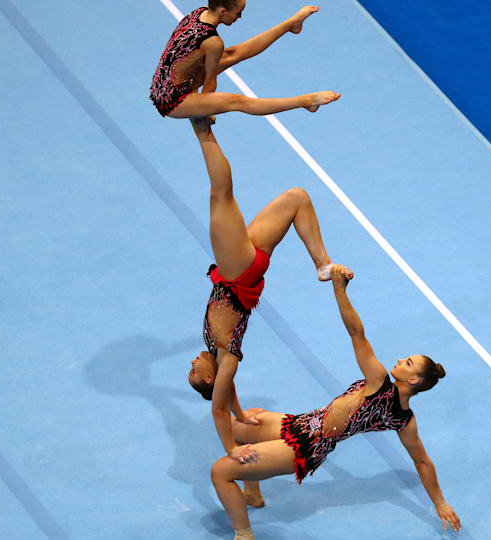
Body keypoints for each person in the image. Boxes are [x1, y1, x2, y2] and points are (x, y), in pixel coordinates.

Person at [208, 265, 462, 539]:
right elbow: (423, 462)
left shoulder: (379, 382)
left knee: (220, 471)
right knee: (238, 427)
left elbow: (357, 333)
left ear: (413, 380)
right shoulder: (405, 420)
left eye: (408, 363)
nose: (401, 360)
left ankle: (243, 534)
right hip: (302, 423)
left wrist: (339, 289)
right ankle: (252, 494)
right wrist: (440, 502)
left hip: (307, 446)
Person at [186, 117, 352, 465]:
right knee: (220, 195)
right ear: (208, 377)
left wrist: (242, 412)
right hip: (237, 271)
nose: (191, 362)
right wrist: (231, 446)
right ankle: (202, 129)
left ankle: (323, 265)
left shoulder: (217, 357)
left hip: (242, 264)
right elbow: (218, 407)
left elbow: (226, 394)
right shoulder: (226, 358)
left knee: (297, 198)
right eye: (193, 372)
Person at [150, 1, 340, 119]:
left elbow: (179, 53)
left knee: (233, 53)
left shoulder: (198, 13)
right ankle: (306, 101)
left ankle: (291, 24)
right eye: (238, 13)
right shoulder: (213, 42)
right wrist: (205, 112)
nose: (239, 17)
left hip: (165, 79)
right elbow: (209, 86)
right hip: (171, 99)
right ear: (223, 11)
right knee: (238, 101)